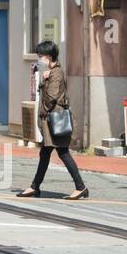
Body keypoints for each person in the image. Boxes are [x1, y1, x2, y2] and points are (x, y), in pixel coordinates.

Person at [17, 39, 89, 200]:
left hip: (55, 119)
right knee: (45, 153)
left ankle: (80, 187)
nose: (39, 59)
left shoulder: (56, 73)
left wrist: (43, 82)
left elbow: (52, 97)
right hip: (50, 120)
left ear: (49, 57)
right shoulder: (51, 72)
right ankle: (34, 187)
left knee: (63, 152)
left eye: (41, 56)